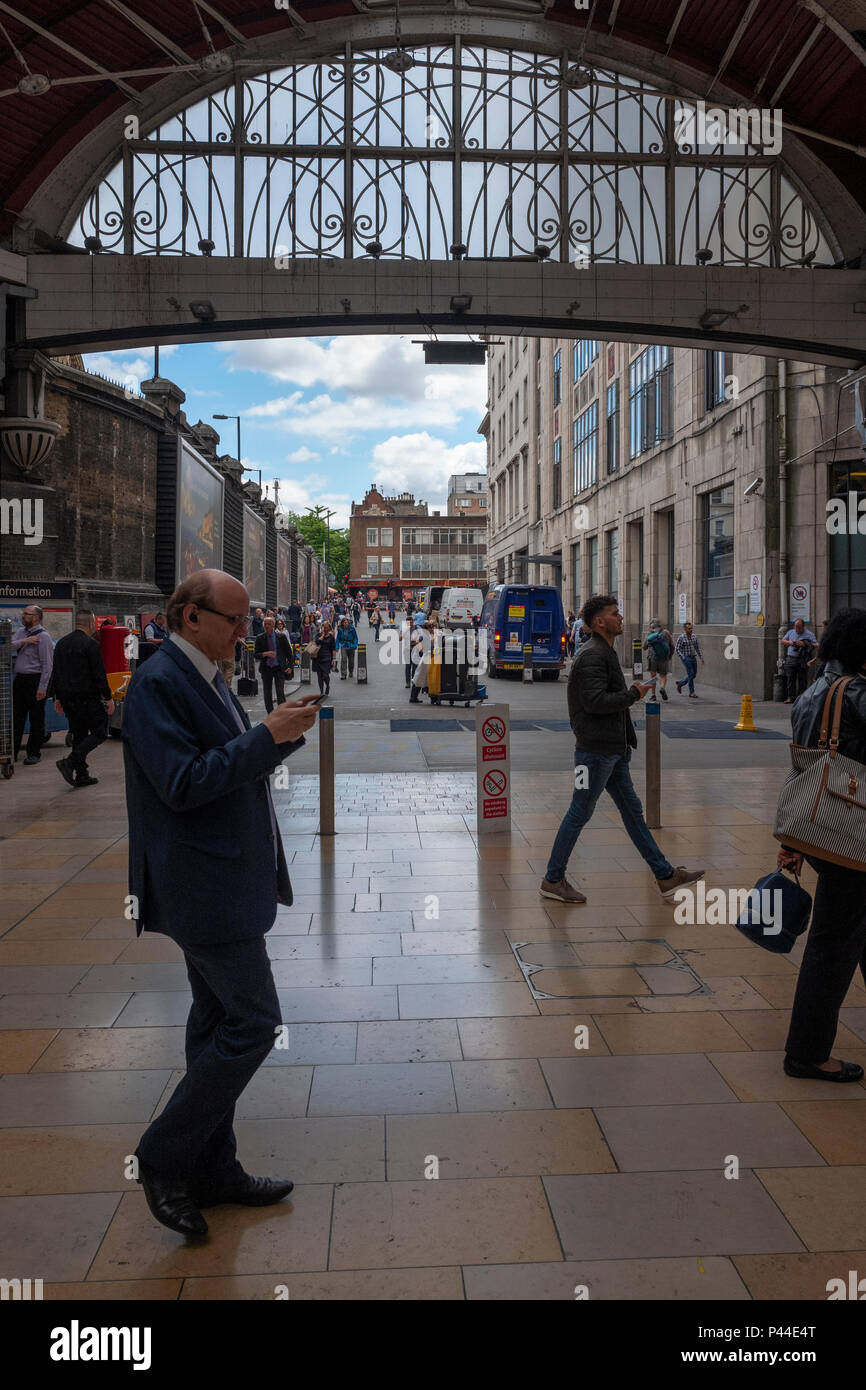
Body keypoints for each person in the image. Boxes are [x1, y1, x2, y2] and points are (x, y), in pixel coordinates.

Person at [122, 569, 319, 1237]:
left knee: (213, 1022)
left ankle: (215, 1169)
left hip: (224, 881)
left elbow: (230, 764)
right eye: (234, 620)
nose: (246, 631)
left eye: (246, 619)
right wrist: (265, 736)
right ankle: (162, 1156)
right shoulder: (158, 683)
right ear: (190, 616)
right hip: (200, 888)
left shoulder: (203, 672)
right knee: (255, 1024)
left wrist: (281, 733)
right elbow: (182, 782)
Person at [540, 594, 705, 904]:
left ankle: (665, 875)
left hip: (611, 753)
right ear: (599, 621)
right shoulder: (593, 655)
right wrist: (634, 693)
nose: (621, 617)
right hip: (593, 753)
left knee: (632, 813)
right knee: (579, 811)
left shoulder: (604, 651)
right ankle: (552, 878)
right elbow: (594, 702)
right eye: (615, 614)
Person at [777, 608, 866, 1083]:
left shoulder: (811, 690)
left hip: (823, 830)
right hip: (853, 838)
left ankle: (807, 1048)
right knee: (832, 947)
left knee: (852, 932)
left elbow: (803, 769)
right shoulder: (854, 692)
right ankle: (807, 1053)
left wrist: (793, 840)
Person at [48, 608, 114, 788]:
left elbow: (56, 673)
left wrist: (57, 697)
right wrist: (108, 698)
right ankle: (69, 762)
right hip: (88, 698)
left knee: (79, 734)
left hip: (69, 700)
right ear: (91, 624)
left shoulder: (61, 643)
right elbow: (99, 674)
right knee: (100, 731)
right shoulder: (91, 644)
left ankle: (82, 774)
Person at [12, 604, 54, 765]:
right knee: (17, 718)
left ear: (36, 617)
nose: (23, 616)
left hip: (35, 681)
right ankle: (13, 752)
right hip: (20, 680)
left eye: (26, 614)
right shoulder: (21, 632)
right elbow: (7, 646)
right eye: (23, 613)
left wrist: (43, 687)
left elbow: (47, 665)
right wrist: (24, 641)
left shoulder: (44, 637)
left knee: (36, 718)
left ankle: (34, 753)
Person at [254, 615, 295, 713]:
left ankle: (282, 713)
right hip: (266, 668)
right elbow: (256, 654)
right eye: (265, 624)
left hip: (279, 668)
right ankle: (271, 714)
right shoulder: (260, 638)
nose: (267, 626)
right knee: (267, 693)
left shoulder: (281, 637)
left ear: (273, 625)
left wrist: (290, 666)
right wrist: (265, 654)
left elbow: (289, 654)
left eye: (269, 624)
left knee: (280, 692)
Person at [782, 617, 818, 702]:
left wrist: (804, 643)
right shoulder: (791, 632)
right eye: (795, 627)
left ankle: (801, 697)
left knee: (802, 678)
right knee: (790, 678)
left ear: (803, 627)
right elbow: (783, 641)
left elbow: (816, 644)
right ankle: (791, 697)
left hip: (802, 659)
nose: (797, 629)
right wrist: (791, 643)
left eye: (799, 627)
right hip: (791, 658)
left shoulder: (809, 634)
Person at [644, 618, 674, 701]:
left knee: (653, 677)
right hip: (663, 658)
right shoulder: (666, 633)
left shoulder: (650, 634)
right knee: (663, 675)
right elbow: (672, 646)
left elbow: (644, 647)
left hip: (652, 657)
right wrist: (670, 655)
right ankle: (662, 687)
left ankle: (653, 695)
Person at [675, 622, 704, 697]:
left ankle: (681, 683)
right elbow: (677, 649)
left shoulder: (694, 637)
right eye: (689, 628)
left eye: (691, 628)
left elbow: (697, 648)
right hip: (686, 658)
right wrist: (683, 657)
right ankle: (692, 692)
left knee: (694, 675)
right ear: (685, 629)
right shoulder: (681, 637)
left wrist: (701, 657)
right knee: (690, 674)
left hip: (693, 657)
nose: (691, 630)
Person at [312, 620, 336, 697]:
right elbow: (316, 643)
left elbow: (333, 648)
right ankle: (321, 691)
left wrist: (333, 659)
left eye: (326, 628)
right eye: (323, 627)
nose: (325, 629)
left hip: (327, 658)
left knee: (325, 674)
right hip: (317, 657)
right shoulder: (318, 635)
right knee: (319, 675)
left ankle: (327, 686)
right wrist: (322, 636)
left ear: (328, 628)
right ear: (321, 628)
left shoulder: (331, 637)